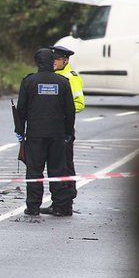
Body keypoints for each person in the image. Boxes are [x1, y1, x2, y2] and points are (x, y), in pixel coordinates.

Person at [15, 48, 76, 216]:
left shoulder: (29, 82)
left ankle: (33, 206)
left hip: (35, 135)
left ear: (37, 62)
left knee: (34, 170)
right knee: (58, 170)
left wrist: (20, 132)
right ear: (51, 61)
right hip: (57, 135)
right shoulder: (63, 82)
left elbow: (21, 111)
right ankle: (60, 206)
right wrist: (68, 133)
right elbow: (70, 111)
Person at [51, 45, 84, 208]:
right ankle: (59, 200)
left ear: (65, 60)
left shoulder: (71, 78)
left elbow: (79, 103)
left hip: (64, 127)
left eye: (56, 60)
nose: (53, 63)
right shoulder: (54, 76)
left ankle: (67, 200)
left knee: (65, 164)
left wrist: (61, 113)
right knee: (56, 165)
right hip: (53, 128)